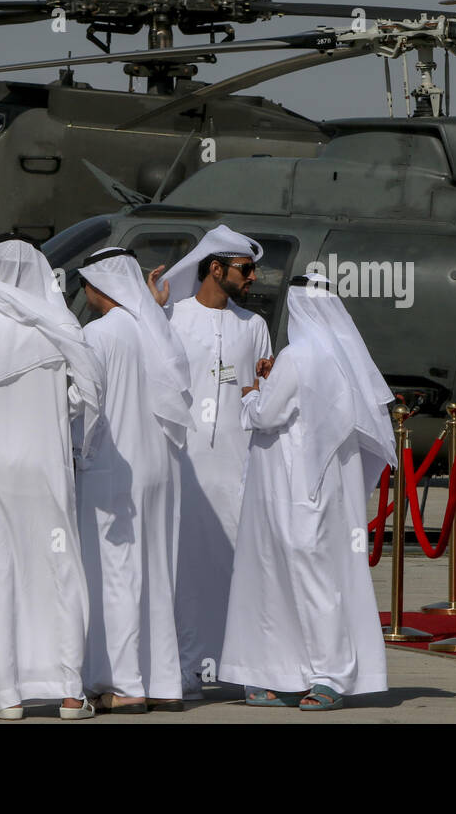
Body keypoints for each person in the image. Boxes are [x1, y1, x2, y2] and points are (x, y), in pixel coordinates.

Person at [0, 235, 104, 720]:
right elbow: (88, 393)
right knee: (57, 570)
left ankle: (3, 696)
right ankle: (70, 693)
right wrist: (56, 416)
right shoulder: (57, 325)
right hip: (43, 467)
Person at [219, 273, 394, 710]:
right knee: (290, 574)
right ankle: (285, 674)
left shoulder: (298, 357)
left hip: (292, 488)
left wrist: (249, 393)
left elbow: (266, 414)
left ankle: (329, 677)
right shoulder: (339, 357)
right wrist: (274, 375)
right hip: (315, 487)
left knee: (301, 574)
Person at [155, 225, 273, 697]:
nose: (253, 279)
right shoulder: (172, 318)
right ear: (216, 268)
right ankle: (184, 668)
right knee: (184, 570)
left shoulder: (254, 326)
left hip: (239, 468)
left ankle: (243, 669)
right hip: (185, 467)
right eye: (246, 270)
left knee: (240, 569)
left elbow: (263, 396)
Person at [76, 247, 193, 713]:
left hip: (114, 466)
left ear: (99, 286)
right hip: (162, 467)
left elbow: (82, 407)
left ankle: (124, 684)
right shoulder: (156, 328)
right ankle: (163, 680)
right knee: (157, 574)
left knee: (117, 574)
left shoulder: (98, 334)